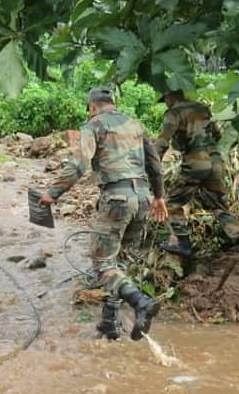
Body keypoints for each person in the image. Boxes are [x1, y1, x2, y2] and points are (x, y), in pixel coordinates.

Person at [36, 86, 168, 341]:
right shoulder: (135, 124)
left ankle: (140, 302)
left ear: (92, 106)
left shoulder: (94, 125)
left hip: (117, 199)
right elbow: (154, 164)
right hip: (142, 199)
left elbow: (79, 163)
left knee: (102, 264)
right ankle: (110, 321)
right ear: (113, 103)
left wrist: (52, 193)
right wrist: (159, 197)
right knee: (120, 261)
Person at [154, 89, 239, 275]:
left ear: (170, 97)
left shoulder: (173, 113)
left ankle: (184, 244)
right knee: (219, 207)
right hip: (215, 160)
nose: (166, 103)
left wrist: (152, 165)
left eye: (166, 100)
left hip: (195, 161)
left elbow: (162, 142)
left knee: (172, 203)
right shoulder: (202, 109)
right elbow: (217, 136)